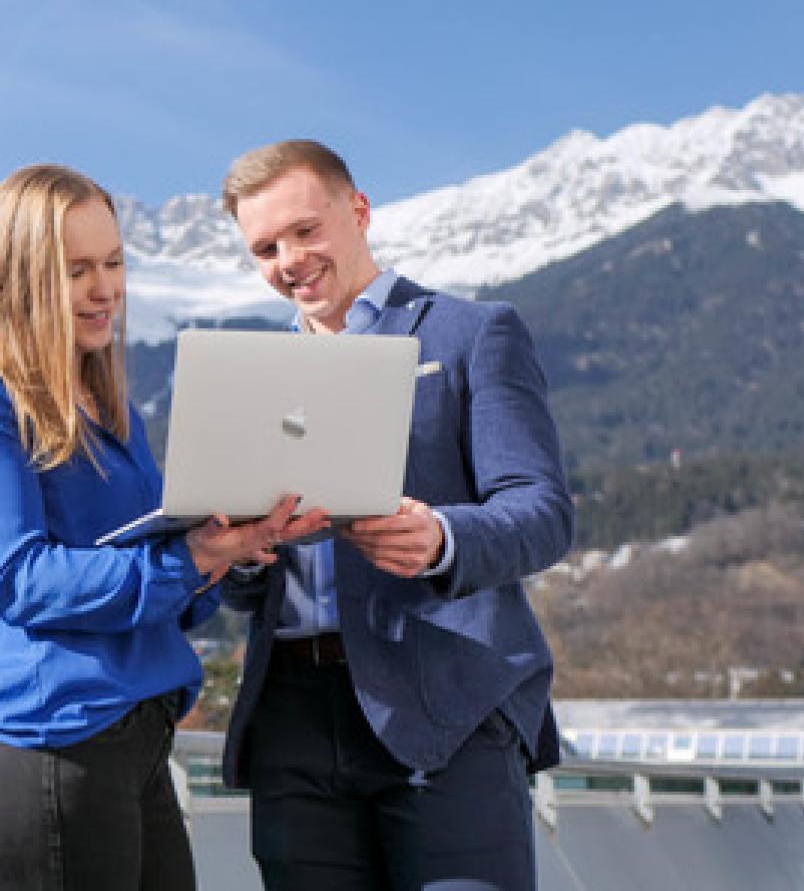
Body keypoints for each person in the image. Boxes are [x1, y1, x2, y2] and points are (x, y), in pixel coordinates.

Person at [0, 163, 328, 891]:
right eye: (76, 270)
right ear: (22, 279)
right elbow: (23, 582)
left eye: (113, 262)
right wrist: (187, 559)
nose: (105, 289)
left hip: (133, 741)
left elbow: (174, 588)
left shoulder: (111, 409)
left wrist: (231, 549)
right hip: (46, 750)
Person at [216, 140, 573, 890]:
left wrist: (443, 538)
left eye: (305, 230)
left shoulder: (473, 333)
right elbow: (241, 589)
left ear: (359, 211)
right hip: (292, 719)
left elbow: (541, 510)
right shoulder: (251, 382)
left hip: (449, 702)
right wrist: (241, 550)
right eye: (266, 247)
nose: (290, 258)